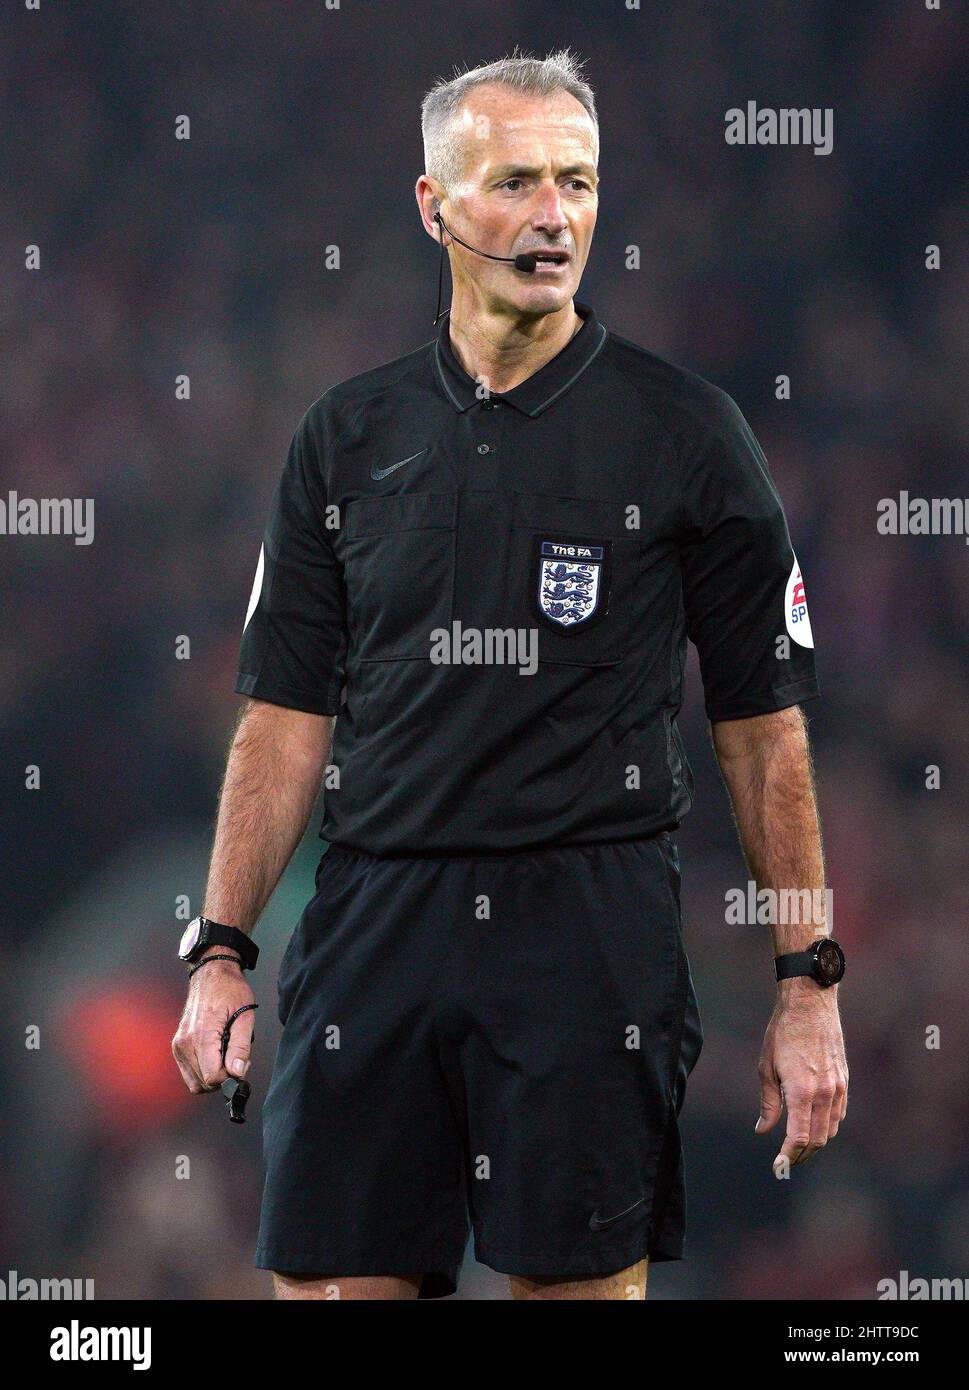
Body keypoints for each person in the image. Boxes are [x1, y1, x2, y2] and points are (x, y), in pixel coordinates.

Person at [172, 48, 848, 1301]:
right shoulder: (345, 436)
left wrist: (807, 980)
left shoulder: (688, 433)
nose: (555, 217)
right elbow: (282, 719)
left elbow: (763, 724)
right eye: (517, 182)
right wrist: (219, 948)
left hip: (587, 935)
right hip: (372, 916)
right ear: (434, 207)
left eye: (580, 184)